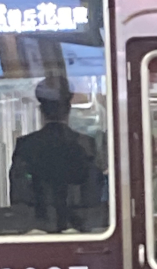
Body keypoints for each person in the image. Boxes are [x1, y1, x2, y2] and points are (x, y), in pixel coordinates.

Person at [9, 76, 104, 233]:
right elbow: (93, 192)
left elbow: (19, 193)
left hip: (36, 228)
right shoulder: (86, 144)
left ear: (41, 111)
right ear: (68, 109)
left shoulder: (26, 145)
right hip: (79, 228)